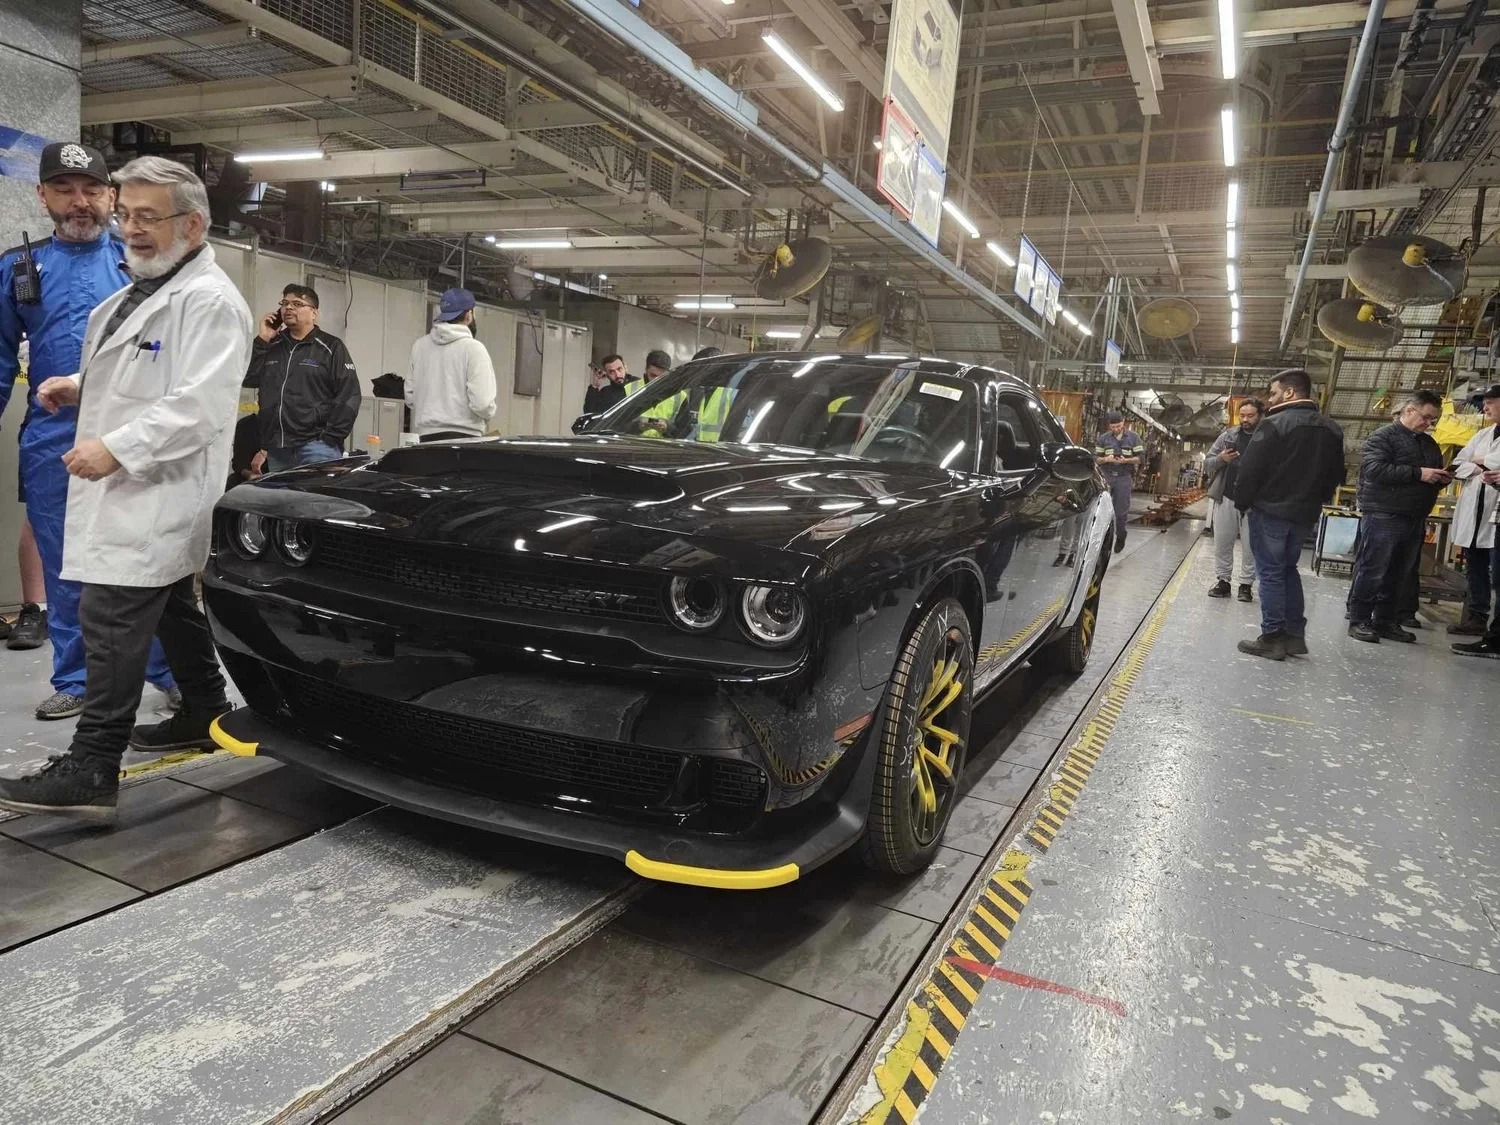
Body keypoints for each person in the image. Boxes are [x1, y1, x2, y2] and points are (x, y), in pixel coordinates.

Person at [0, 156, 253, 822]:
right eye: (128, 214)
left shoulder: (210, 300)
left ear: (191, 223)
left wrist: (114, 448)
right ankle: (204, 710)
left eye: (148, 217)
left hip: (155, 487)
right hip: (135, 487)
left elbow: (199, 405)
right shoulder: (140, 288)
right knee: (171, 604)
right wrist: (79, 388)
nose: (131, 229)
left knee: (108, 616)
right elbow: (148, 373)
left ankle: (92, 765)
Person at [0, 140, 179, 719]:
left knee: (144, 560)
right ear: (43, 195)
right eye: (64, 189)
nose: (80, 202)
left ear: (111, 196)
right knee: (62, 560)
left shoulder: (147, 266)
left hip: (133, 437)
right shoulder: (18, 270)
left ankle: (169, 672)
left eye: (91, 190)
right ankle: (76, 680)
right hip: (52, 438)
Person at [1232, 368, 1345, 660]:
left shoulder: (1273, 425)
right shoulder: (1332, 429)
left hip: (1270, 510)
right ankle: (1295, 636)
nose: (1270, 399)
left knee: (1269, 572)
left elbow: (1250, 470)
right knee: (1288, 569)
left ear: (1290, 392)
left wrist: (1242, 503)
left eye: (1274, 392)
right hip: (1305, 513)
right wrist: (1314, 500)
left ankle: (1272, 638)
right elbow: (1336, 474)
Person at [1346, 390, 1449, 644]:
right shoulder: (1383, 437)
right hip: (1384, 513)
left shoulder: (1429, 444)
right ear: (1409, 410)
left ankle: (1385, 621)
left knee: (1399, 572)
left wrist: (1439, 478)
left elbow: (1429, 474)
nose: (1428, 423)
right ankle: (1359, 619)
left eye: (1432, 420)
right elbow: (1373, 469)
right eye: (1426, 417)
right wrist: (1418, 474)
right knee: (1373, 569)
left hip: (1414, 515)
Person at [244, 282, 360, 472]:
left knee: (315, 502)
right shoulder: (272, 346)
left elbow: (350, 396)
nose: (288, 307)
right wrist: (263, 339)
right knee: (282, 502)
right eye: (284, 303)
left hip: (316, 448)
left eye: (297, 303)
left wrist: (330, 437)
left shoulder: (331, 347)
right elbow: (249, 378)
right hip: (278, 450)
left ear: (314, 313)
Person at [405, 287, 497, 442]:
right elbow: (482, 403)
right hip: (465, 440)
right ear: (469, 315)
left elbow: (410, 396)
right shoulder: (473, 349)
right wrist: (488, 414)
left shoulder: (419, 346)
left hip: (426, 440)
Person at [1448, 384, 1500, 637]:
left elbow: (1492, 462)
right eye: (1484, 402)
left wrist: (1479, 461)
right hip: (1475, 513)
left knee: (1497, 574)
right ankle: (1476, 618)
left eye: (1491, 401)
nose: (1485, 407)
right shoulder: (1481, 435)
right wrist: (1479, 467)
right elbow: (1458, 464)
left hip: (1495, 515)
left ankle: (1496, 629)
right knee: (1476, 568)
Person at [1205, 399, 1264, 602]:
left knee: (1251, 546)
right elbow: (1207, 464)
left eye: (1251, 415)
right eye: (1243, 415)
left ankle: (1246, 585)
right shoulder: (1228, 436)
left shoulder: (1268, 437)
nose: (1245, 419)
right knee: (1222, 542)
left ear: (1260, 415)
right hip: (1226, 497)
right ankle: (1223, 582)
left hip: (1255, 502)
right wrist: (1222, 459)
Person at [1094, 411, 1143, 548]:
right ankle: (1103, 541)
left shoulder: (1134, 438)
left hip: (1123, 478)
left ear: (1123, 423)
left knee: (1121, 512)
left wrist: (1126, 460)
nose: (1116, 429)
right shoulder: (1103, 439)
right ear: (1109, 426)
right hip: (1107, 477)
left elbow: (1140, 458)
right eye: (1113, 427)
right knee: (1102, 510)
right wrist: (1105, 459)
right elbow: (1096, 459)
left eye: (1118, 426)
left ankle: (1121, 535)